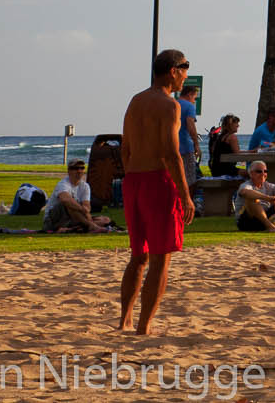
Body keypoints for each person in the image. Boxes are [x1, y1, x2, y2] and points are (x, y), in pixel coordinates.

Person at [119, 49, 196, 335]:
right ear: (173, 71)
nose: (185, 77)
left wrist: (132, 173)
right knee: (161, 258)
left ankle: (124, 321)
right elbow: (171, 154)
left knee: (138, 256)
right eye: (184, 70)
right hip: (157, 182)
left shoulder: (136, 101)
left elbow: (125, 147)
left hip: (133, 180)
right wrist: (185, 195)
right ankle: (144, 326)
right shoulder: (170, 105)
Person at [43, 160, 112, 234]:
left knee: (105, 219)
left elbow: (87, 206)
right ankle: (92, 226)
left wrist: (86, 213)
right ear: (69, 171)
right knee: (70, 205)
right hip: (53, 220)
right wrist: (83, 210)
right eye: (75, 168)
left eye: (82, 168)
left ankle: (74, 228)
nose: (79, 171)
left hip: (73, 217)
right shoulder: (63, 184)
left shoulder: (85, 186)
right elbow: (65, 199)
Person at [234, 162, 275, 233]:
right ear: (251, 174)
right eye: (259, 171)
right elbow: (244, 192)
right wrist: (267, 198)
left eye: (265, 171)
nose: (263, 174)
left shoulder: (268, 185)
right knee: (251, 199)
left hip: (266, 217)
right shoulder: (246, 184)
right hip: (247, 222)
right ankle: (270, 226)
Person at [176, 82, 201, 190]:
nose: (194, 101)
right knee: (190, 180)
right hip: (185, 147)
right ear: (189, 94)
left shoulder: (172, 104)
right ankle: (188, 200)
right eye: (194, 98)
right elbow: (190, 125)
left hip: (171, 147)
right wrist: (196, 144)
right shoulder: (189, 106)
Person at [208, 114, 242, 178]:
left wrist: (251, 151)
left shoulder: (220, 137)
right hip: (227, 171)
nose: (238, 125)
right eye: (236, 123)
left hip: (216, 170)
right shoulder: (232, 137)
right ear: (230, 125)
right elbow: (238, 155)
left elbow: (236, 152)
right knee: (253, 173)